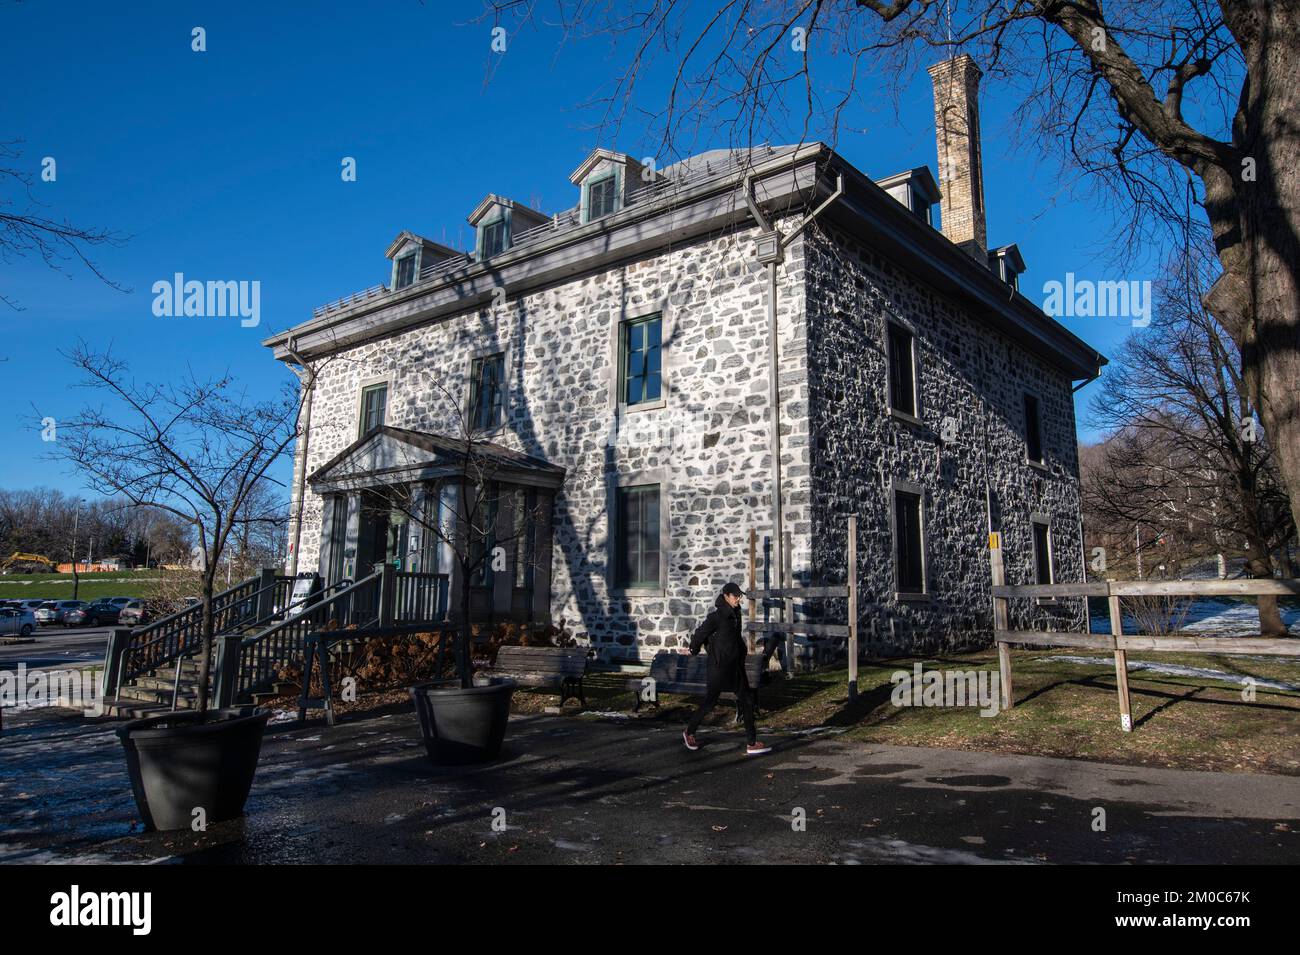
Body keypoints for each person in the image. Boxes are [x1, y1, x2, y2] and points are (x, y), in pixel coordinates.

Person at [682, 582, 771, 756]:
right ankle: (689, 732)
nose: (738, 599)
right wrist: (693, 649)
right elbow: (700, 633)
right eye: (735, 596)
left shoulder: (735, 614)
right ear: (726, 596)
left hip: (735, 667)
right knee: (710, 702)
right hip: (719, 668)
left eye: (739, 596)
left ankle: (752, 743)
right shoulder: (717, 616)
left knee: (746, 701)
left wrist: (742, 650)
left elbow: (734, 638)